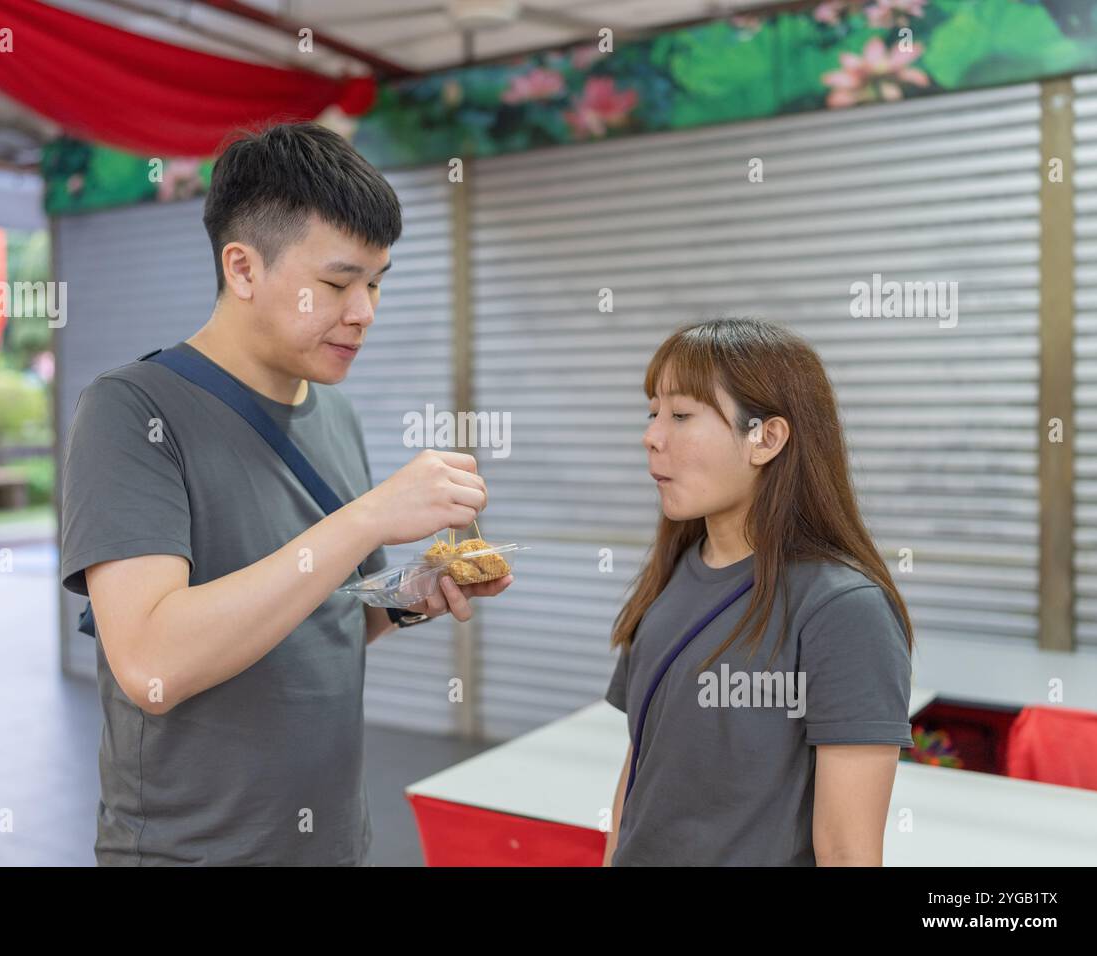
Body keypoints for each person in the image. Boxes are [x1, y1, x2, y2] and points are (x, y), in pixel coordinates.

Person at [59, 122, 512, 866]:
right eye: (337, 283)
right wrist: (369, 515)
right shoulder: (131, 412)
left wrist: (405, 593)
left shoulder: (332, 411)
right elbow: (150, 665)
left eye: (376, 283)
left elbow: (324, 612)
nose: (365, 310)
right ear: (242, 268)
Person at [602, 317, 915, 866]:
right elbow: (640, 773)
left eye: (680, 415)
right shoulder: (672, 572)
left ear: (765, 438)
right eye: (653, 413)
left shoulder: (844, 609)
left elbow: (848, 852)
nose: (651, 435)